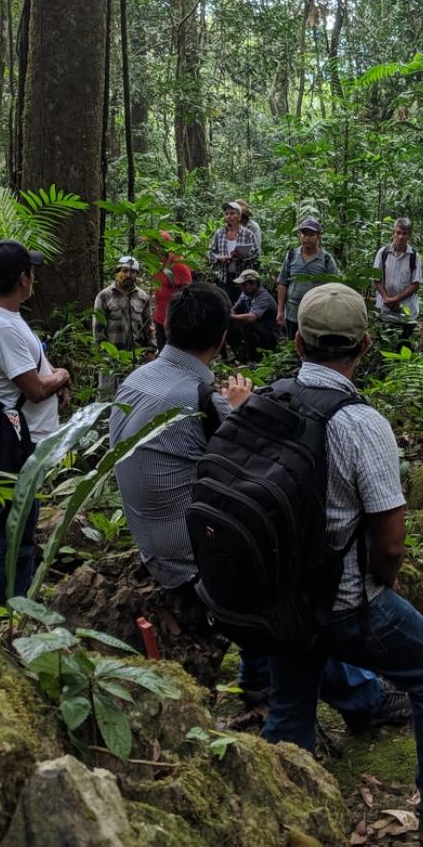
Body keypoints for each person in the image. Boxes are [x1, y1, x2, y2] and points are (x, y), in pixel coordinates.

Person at [264, 282, 423, 847]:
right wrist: (384, 583)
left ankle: (279, 821)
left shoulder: (266, 402)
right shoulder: (361, 423)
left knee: (292, 697)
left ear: (297, 342)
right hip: (345, 600)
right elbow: (391, 541)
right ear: (365, 345)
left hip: (277, 597)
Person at [111, 283, 398, 725]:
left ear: (165, 326)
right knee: (287, 564)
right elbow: (272, 460)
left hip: (153, 541)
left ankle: (258, 677)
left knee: (243, 525)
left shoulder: (135, 381)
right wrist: (244, 407)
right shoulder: (201, 399)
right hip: (192, 558)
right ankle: (364, 698)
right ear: (222, 337)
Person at [0, 241, 71, 604]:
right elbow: (35, 389)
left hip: (21, 437)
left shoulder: (0, 315)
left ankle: (16, 597)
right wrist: (61, 376)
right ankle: (11, 606)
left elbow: (24, 369)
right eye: (31, 272)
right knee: (16, 528)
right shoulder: (1, 326)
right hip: (18, 443)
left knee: (20, 520)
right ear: (23, 279)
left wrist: (53, 378)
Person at [93, 256, 156, 393]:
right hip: (110, 360)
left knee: (133, 396)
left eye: (133, 272)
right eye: (125, 271)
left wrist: (151, 351)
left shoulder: (143, 297)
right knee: (106, 396)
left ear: (137, 274)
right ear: (117, 272)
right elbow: (98, 331)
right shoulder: (104, 296)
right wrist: (105, 356)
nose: (128, 275)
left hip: (136, 359)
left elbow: (149, 327)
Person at [276, 219, 339, 340]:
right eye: (304, 234)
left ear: (318, 237)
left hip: (316, 313)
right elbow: (283, 283)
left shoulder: (326, 259)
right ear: (299, 236)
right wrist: (280, 310)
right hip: (293, 312)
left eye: (311, 235)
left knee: (312, 344)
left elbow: (334, 287)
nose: (307, 238)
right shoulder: (291, 255)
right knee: (293, 343)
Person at [373, 218, 422, 338]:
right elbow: (376, 279)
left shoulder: (414, 256)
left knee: (404, 344)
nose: (401, 237)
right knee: (384, 343)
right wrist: (387, 299)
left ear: (409, 236)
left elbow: (415, 283)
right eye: (398, 232)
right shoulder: (383, 253)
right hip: (385, 310)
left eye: (404, 233)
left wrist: (395, 299)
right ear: (393, 233)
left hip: (406, 312)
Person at [149, 231, 193, 351]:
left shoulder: (179, 264)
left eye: (153, 246)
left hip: (175, 322)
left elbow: (188, 293)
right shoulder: (158, 263)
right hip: (160, 317)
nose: (150, 249)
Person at [208, 203, 258, 303]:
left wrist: (242, 256)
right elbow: (211, 253)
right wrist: (219, 258)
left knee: (242, 306)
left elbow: (255, 253)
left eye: (232, 213)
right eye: (226, 214)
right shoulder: (219, 233)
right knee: (225, 304)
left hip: (243, 279)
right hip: (224, 278)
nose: (229, 216)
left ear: (239, 217)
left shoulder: (248, 234)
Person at [227, 269, 279, 359]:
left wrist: (230, 317)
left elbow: (251, 318)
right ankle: (240, 353)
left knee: (247, 325)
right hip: (257, 329)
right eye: (241, 285)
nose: (242, 288)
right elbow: (234, 310)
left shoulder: (263, 297)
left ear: (254, 283)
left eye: (244, 285)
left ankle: (256, 357)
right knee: (231, 324)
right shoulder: (245, 294)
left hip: (269, 334)